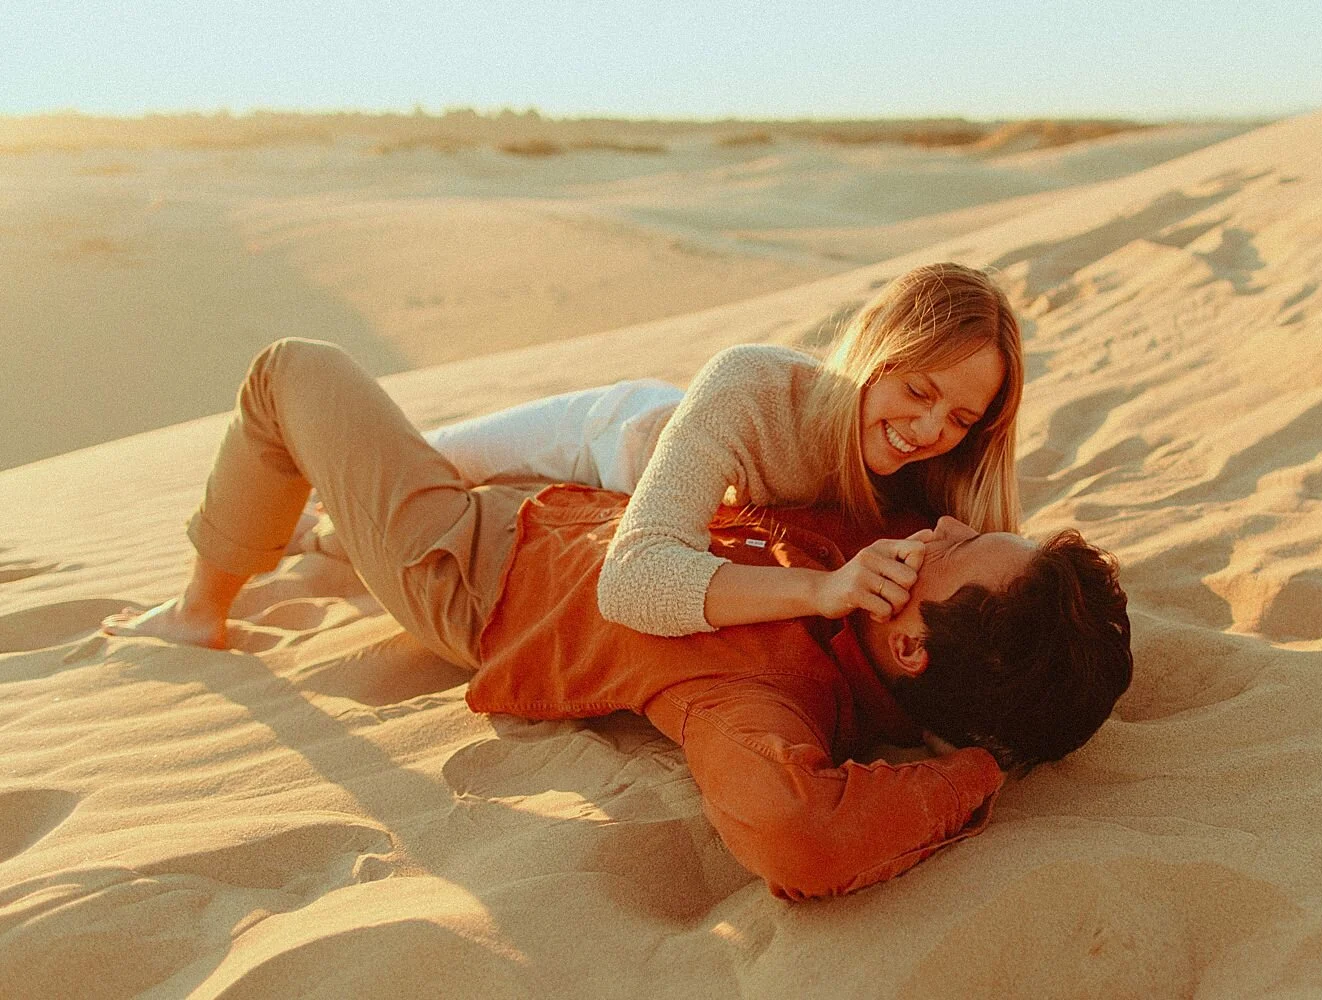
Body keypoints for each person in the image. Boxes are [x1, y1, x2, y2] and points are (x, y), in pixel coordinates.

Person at [100, 337, 1132, 899]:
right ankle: (322, 542)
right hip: (563, 504)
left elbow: (796, 838)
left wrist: (978, 773)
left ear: (909, 644)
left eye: (955, 551)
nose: (944, 524)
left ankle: (203, 609)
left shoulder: (761, 696)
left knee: (290, 375)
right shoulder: (886, 567)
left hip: (465, 567)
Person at [306, 261, 1025, 638]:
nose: (931, 432)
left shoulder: (942, 474)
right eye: (920, 393)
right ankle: (317, 538)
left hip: (650, 479)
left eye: (961, 417)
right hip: (614, 436)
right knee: (425, 467)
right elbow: (633, 582)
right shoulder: (755, 385)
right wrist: (816, 591)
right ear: (874, 354)